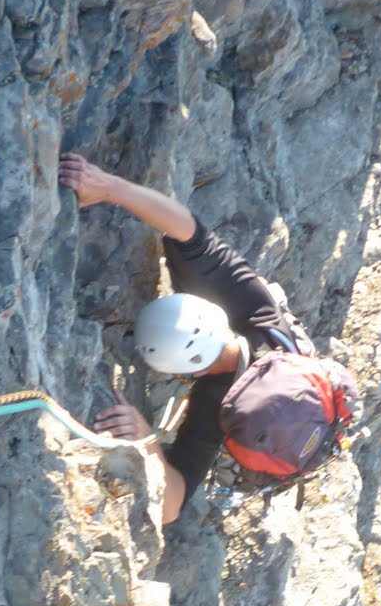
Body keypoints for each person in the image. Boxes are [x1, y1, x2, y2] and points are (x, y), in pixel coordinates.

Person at [58, 151, 312, 525]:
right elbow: (189, 232)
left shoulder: (217, 405)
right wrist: (108, 187)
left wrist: (146, 440)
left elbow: (170, 509)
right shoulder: (261, 317)